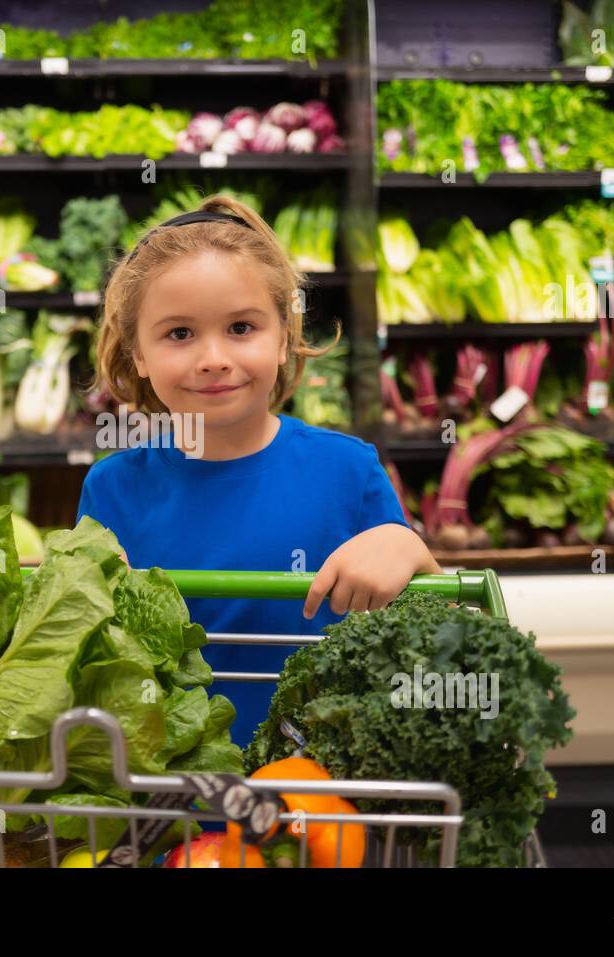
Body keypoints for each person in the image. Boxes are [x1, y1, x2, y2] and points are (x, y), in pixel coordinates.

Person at [76, 194, 440, 746]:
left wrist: (406, 546)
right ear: (138, 355)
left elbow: (424, 614)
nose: (213, 357)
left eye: (242, 328)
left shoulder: (349, 470)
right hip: (167, 801)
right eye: (179, 334)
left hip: (320, 797)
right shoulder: (112, 489)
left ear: (283, 338)